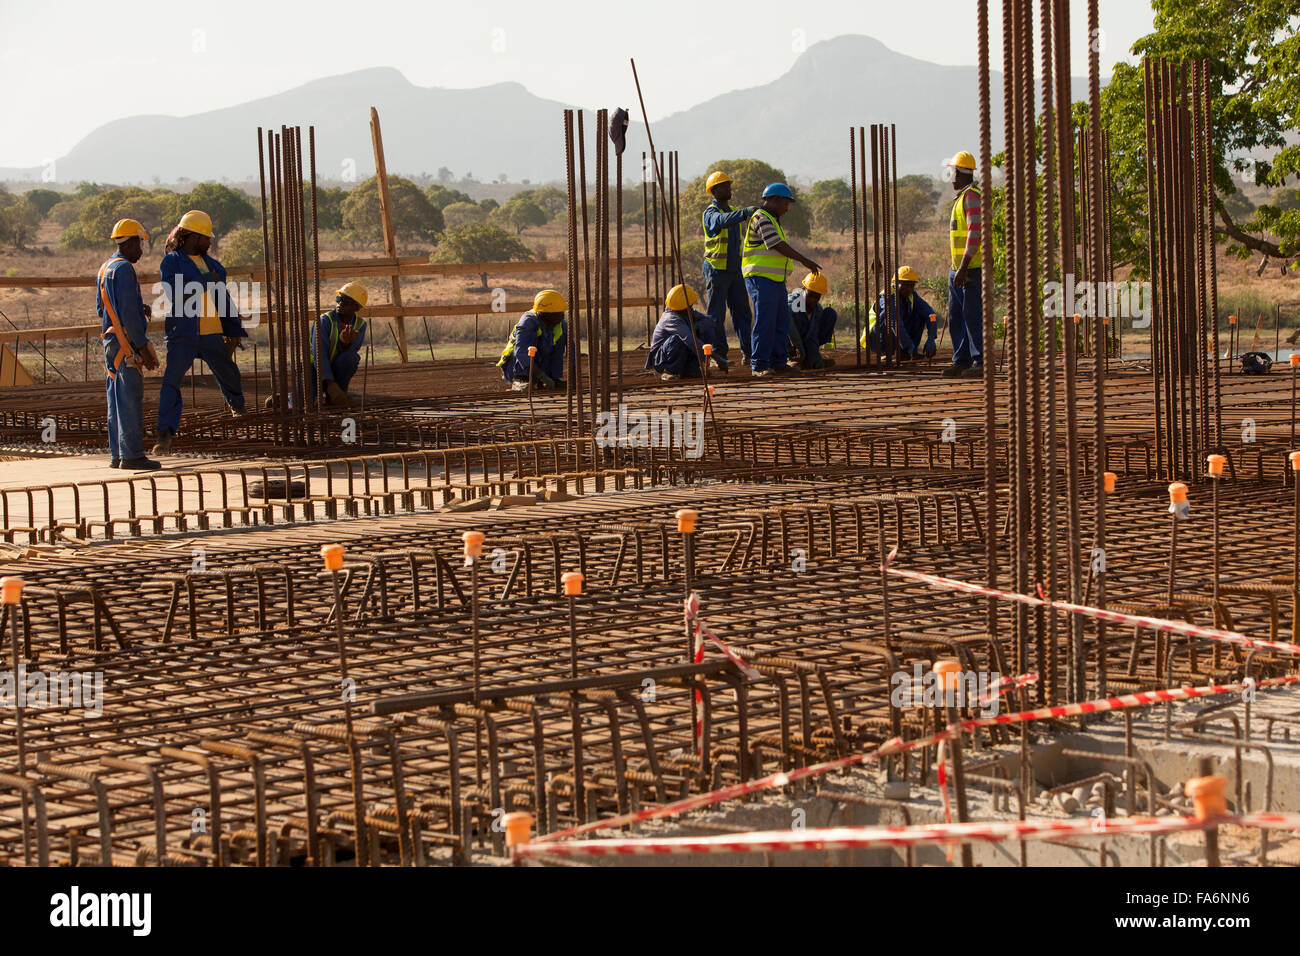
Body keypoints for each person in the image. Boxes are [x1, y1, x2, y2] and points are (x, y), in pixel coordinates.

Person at [152, 210, 247, 454]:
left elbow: (222, 297)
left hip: (211, 332)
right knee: (171, 382)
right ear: (193, 237)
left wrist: (233, 327)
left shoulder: (214, 265)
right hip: (183, 332)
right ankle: (165, 434)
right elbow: (175, 294)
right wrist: (206, 282)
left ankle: (238, 408)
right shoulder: (172, 262)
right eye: (206, 237)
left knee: (228, 372)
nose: (210, 242)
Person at [98, 219, 161, 470]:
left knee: (115, 398)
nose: (141, 250)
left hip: (110, 341)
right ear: (131, 241)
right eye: (139, 244)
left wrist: (136, 307)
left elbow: (101, 308)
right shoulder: (124, 269)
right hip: (126, 344)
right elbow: (130, 317)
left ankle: (118, 454)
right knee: (130, 398)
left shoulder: (105, 268)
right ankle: (133, 455)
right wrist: (143, 347)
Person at [741, 183, 820, 378]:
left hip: (774, 280)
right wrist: (804, 260)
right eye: (785, 203)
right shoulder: (761, 218)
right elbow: (775, 244)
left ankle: (777, 362)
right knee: (766, 320)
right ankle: (759, 364)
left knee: (781, 321)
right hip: (760, 278)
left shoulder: (772, 220)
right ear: (774, 200)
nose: (786, 208)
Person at [700, 171, 756, 365]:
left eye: (728, 185)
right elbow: (720, 222)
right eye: (724, 186)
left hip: (734, 271)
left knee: (742, 312)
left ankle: (749, 353)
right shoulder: (711, 213)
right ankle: (718, 353)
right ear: (714, 191)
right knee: (716, 314)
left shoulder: (730, 211)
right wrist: (743, 213)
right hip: (716, 270)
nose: (728, 188)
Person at [943, 150, 984, 378]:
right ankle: (962, 360)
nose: (951, 177)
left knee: (971, 315)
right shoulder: (962, 198)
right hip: (957, 269)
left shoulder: (971, 197)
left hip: (970, 270)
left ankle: (980, 361)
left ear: (960, 173)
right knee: (956, 316)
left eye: (953, 172)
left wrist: (964, 267)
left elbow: (974, 233)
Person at [645, 284, 729, 381]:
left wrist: (697, 327)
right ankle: (669, 371)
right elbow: (690, 340)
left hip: (681, 354)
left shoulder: (687, 312)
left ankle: (691, 369)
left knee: (707, 330)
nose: (691, 305)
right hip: (661, 360)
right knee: (678, 339)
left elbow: (709, 321)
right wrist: (713, 356)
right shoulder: (671, 318)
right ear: (684, 305)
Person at [310, 281, 369, 406]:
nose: (340, 303)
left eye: (346, 301)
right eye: (339, 299)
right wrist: (329, 383)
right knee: (304, 402)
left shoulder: (360, 325)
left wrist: (345, 344)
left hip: (337, 369)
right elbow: (319, 354)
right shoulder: (324, 321)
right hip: (314, 369)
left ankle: (338, 393)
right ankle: (285, 399)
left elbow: (351, 354)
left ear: (356, 307)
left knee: (350, 358)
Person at [862, 266, 938, 361]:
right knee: (888, 315)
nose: (909, 289)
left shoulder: (912, 296)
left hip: (898, 336)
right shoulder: (887, 296)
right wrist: (908, 345)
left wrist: (931, 338)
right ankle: (889, 351)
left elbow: (931, 314)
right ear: (895, 283)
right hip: (877, 339)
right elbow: (894, 323)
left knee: (919, 316)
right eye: (905, 285)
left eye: (911, 285)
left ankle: (905, 353)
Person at [497, 289, 567, 391]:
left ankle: (553, 378)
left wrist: (573, 379)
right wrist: (542, 376)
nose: (563, 315)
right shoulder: (528, 321)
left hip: (540, 366)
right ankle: (520, 380)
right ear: (547, 314)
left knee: (559, 343)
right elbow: (521, 353)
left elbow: (572, 350)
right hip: (516, 366)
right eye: (559, 313)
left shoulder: (561, 324)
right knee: (530, 349)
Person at [787, 272, 837, 369]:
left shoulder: (817, 310)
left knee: (830, 313)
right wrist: (797, 346)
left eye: (817, 297)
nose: (813, 300)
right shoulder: (793, 303)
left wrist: (815, 358)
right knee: (786, 317)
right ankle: (792, 358)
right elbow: (786, 325)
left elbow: (812, 337)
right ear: (803, 290)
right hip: (790, 343)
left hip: (805, 342)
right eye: (810, 295)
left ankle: (808, 358)